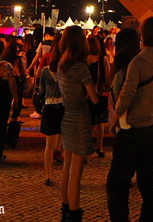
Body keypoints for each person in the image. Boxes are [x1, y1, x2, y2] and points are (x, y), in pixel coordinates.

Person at [107, 16, 153, 222]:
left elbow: (127, 94)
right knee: (147, 181)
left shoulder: (138, 62)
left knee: (117, 182)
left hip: (132, 128)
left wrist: (115, 118)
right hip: (150, 127)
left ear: (143, 35)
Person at [56, 26, 100, 222]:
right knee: (76, 170)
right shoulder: (81, 68)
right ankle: (75, 212)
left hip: (67, 116)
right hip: (81, 118)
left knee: (67, 167)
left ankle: (65, 209)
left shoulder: (61, 65)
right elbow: (94, 98)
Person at [36, 43, 63, 186]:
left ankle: (48, 175)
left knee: (49, 145)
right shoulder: (67, 70)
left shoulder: (46, 71)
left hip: (50, 106)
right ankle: (68, 174)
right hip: (64, 106)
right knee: (66, 142)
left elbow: (41, 90)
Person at [87, 35, 109, 158]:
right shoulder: (102, 60)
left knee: (88, 122)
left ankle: (87, 145)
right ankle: (99, 146)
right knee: (99, 122)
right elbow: (107, 77)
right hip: (100, 94)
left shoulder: (83, 59)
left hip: (85, 95)